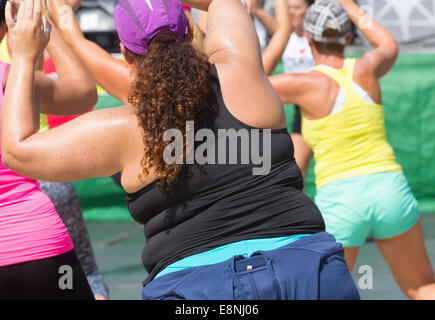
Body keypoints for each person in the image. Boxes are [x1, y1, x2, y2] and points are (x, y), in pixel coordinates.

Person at [2, 0, 359, 300]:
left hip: (195, 291)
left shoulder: (122, 130)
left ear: (125, 54)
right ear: (190, 30)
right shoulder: (242, 73)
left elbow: (19, 150)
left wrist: (23, 55)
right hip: (309, 271)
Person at [269, 0, 435, 299]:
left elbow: (251, 84)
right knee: (422, 287)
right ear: (347, 37)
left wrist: (281, 33)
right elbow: (388, 42)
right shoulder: (368, 68)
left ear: (307, 40)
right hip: (391, 192)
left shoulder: (303, 84)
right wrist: (350, 7)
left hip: (341, 204)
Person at [0, 0, 109, 300]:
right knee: (89, 273)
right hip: (41, 244)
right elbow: (85, 93)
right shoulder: (11, 77)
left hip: (38, 238)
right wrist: (46, 25)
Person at [250, 0, 315, 179]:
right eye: (290, 8)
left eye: (298, 8)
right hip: (302, 112)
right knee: (296, 173)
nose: (293, 12)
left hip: (324, 104)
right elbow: (256, 9)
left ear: (310, 9)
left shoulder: (320, 35)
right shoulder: (286, 35)